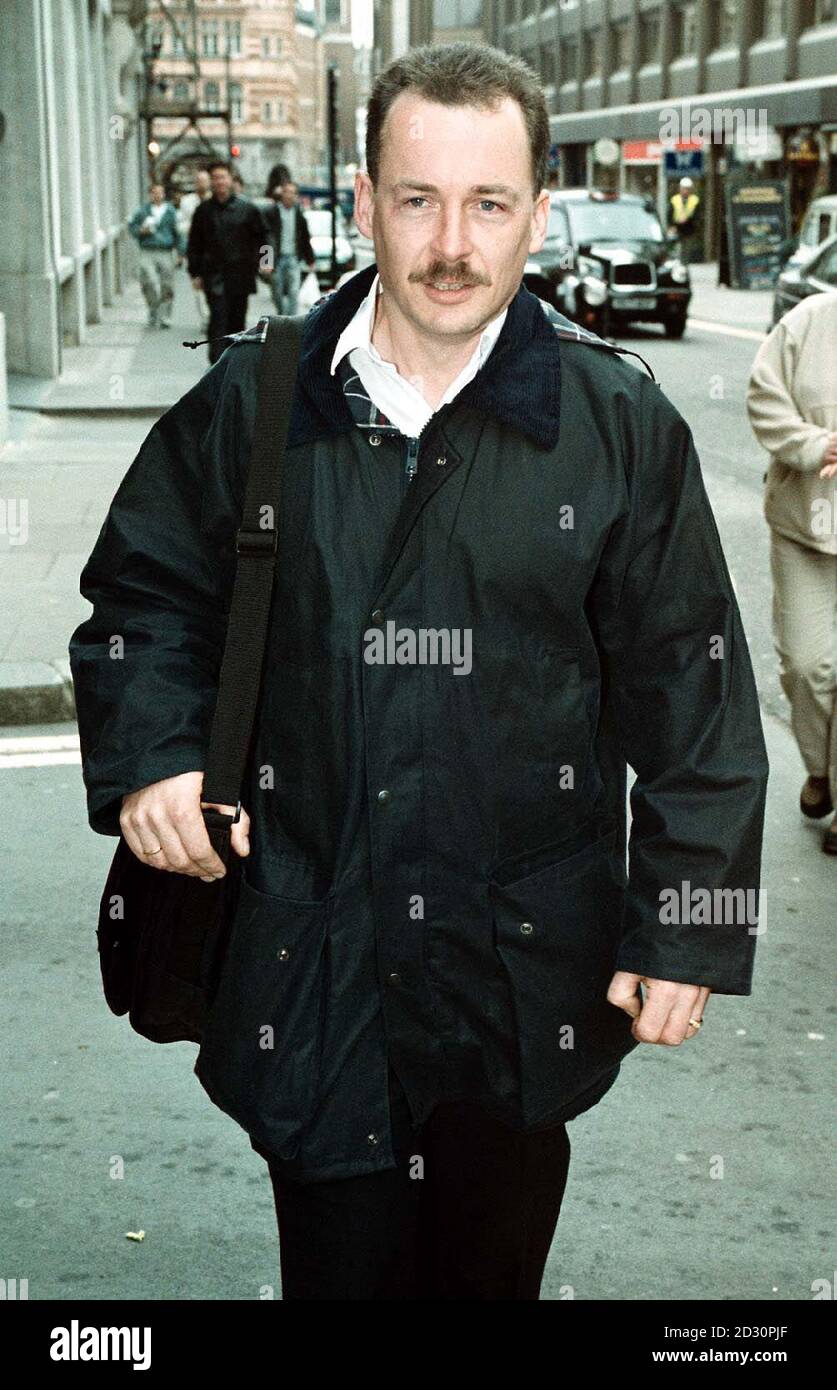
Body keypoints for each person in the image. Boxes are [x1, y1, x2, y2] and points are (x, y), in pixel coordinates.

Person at [69, 42, 768, 1301]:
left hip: (519, 974)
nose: (454, 242)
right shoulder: (256, 401)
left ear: (536, 213)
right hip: (313, 949)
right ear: (367, 193)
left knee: (485, 1279)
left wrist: (691, 925)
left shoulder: (616, 425)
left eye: (489, 203)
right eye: (419, 198)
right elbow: (146, 599)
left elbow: (693, 686)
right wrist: (155, 757)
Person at [746, 292, 837, 855]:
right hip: (805, 525)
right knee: (806, 664)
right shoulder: (808, 321)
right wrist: (815, 445)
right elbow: (764, 398)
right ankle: (819, 767)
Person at [186, 160, 265, 362]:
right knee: (217, 319)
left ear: (230, 180)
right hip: (214, 275)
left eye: (222, 177)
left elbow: (265, 237)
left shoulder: (247, 209)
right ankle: (216, 364)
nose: (219, 181)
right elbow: (194, 243)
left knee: (237, 321)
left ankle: (234, 364)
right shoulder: (203, 211)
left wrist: (266, 262)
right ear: (211, 182)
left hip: (241, 274)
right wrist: (194, 272)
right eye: (215, 178)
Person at [128, 182, 184, 329]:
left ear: (164, 194)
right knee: (149, 282)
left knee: (167, 284)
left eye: (160, 192)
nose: (157, 195)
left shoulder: (170, 211)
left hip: (165, 250)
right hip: (148, 250)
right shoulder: (143, 211)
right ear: (150, 194)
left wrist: (180, 252)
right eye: (154, 192)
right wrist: (141, 231)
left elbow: (177, 232)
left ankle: (165, 316)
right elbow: (132, 227)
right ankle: (153, 310)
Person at [262, 180, 316, 315]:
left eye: (292, 193)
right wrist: (265, 261)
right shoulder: (271, 212)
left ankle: (290, 321)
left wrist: (310, 260)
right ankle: (281, 315)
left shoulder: (299, 214)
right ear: (282, 193)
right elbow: (265, 238)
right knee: (277, 292)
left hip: (293, 258)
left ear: (296, 195)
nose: (289, 195)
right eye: (286, 192)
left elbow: (304, 238)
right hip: (276, 259)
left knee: (293, 292)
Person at [176, 168, 212, 330]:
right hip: (196, 249)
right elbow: (180, 224)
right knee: (198, 285)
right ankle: (205, 319)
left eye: (204, 181)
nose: (202, 184)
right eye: (199, 181)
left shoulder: (215, 200)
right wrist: (191, 227)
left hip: (213, 250)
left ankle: (214, 316)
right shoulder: (187, 201)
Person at [669, 176, 701, 263]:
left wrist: (689, 221)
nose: (685, 191)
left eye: (687, 189)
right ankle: (678, 264)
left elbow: (697, 216)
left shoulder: (695, 200)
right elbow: (670, 214)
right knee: (677, 249)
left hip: (689, 229)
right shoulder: (674, 199)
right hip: (677, 229)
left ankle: (684, 265)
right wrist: (672, 226)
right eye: (683, 188)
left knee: (687, 250)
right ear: (680, 188)